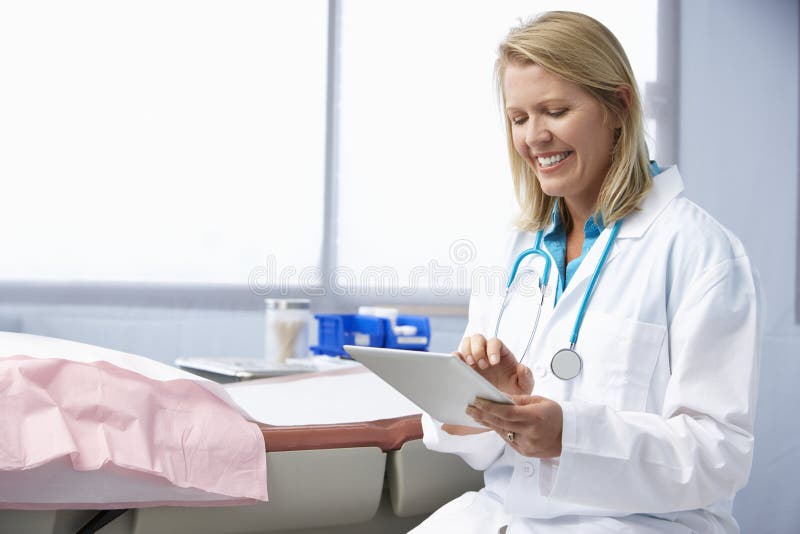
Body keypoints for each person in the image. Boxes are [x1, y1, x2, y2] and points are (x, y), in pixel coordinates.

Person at [411, 11, 760, 534]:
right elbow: (481, 453)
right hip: (501, 517)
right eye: (519, 118)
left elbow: (720, 454)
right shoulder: (513, 251)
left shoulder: (699, 251)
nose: (534, 137)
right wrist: (481, 400)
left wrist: (570, 437)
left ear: (619, 106)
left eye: (555, 110)